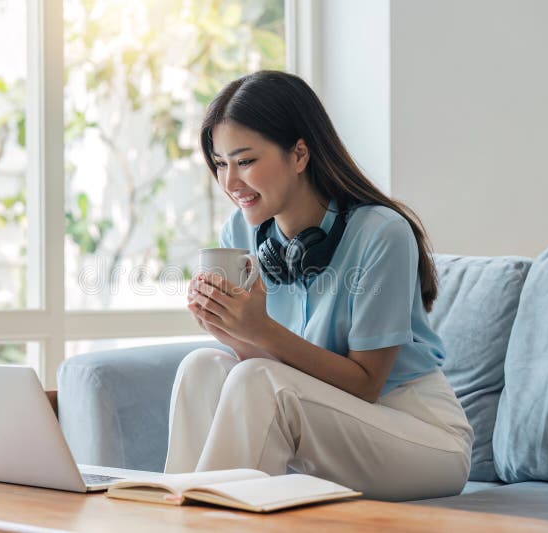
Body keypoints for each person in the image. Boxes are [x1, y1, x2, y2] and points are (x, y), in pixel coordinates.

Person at [164, 70, 473, 502]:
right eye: (220, 164)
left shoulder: (381, 233)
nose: (230, 183)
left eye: (246, 161)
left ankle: (205, 520)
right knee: (202, 365)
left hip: (420, 434)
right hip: (326, 419)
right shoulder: (242, 232)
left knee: (258, 380)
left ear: (299, 154)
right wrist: (227, 329)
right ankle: (180, 514)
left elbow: (366, 385)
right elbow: (275, 372)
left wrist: (261, 331)